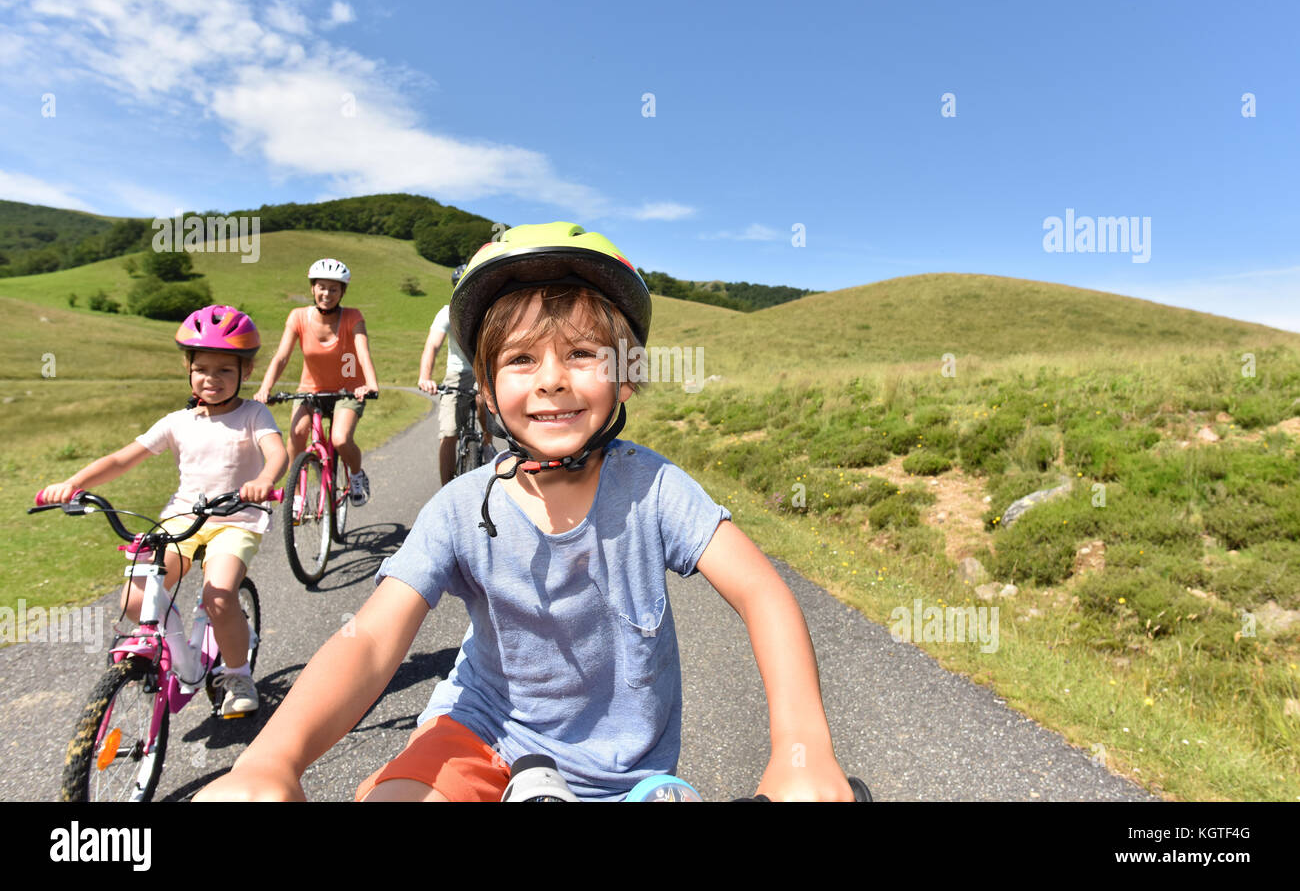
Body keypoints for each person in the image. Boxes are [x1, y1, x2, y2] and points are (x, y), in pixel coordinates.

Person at [195, 222, 851, 800]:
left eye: (582, 354)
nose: (551, 379)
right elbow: (367, 640)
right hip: (480, 733)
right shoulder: (458, 509)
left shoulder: (656, 489)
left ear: (626, 376)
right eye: (520, 360)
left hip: (625, 776)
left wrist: (804, 750)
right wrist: (272, 760)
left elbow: (763, 593)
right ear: (484, 388)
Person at [40, 305, 287, 716]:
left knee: (220, 595)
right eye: (202, 368)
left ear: (246, 371)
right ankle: (173, 648)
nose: (212, 378)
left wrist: (266, 480)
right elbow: (123, 459)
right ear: (188, 368)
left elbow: (276, 452)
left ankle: (238, 672)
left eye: (225, 370)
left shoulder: (252, 414)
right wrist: (75, 483)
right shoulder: (178, 421)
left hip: (235, 518)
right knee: (137, 597)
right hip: (182, 517)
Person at [254, 258, 380, 506]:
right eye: (321, 287)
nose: (327, 294)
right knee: (297, 434)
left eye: (334, 289)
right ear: (312, 288)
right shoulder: (298, 317)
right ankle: (297, 495)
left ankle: (356, 476)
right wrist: (265, 388)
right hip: (310, 390)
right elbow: (281, 356)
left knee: (341, 439)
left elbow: (362, 352)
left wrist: (371, 384)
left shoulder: (352, 317)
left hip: (348, 391)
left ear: (342, 292)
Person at [418, 264, 489, 486]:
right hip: (458, 372)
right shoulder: (446, 313)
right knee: (448, 432)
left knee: (483, 401)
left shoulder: (488, 310)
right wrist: (425, 376)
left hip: (484, 369)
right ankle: (446, 490)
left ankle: (487, 442)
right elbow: (432, 346)